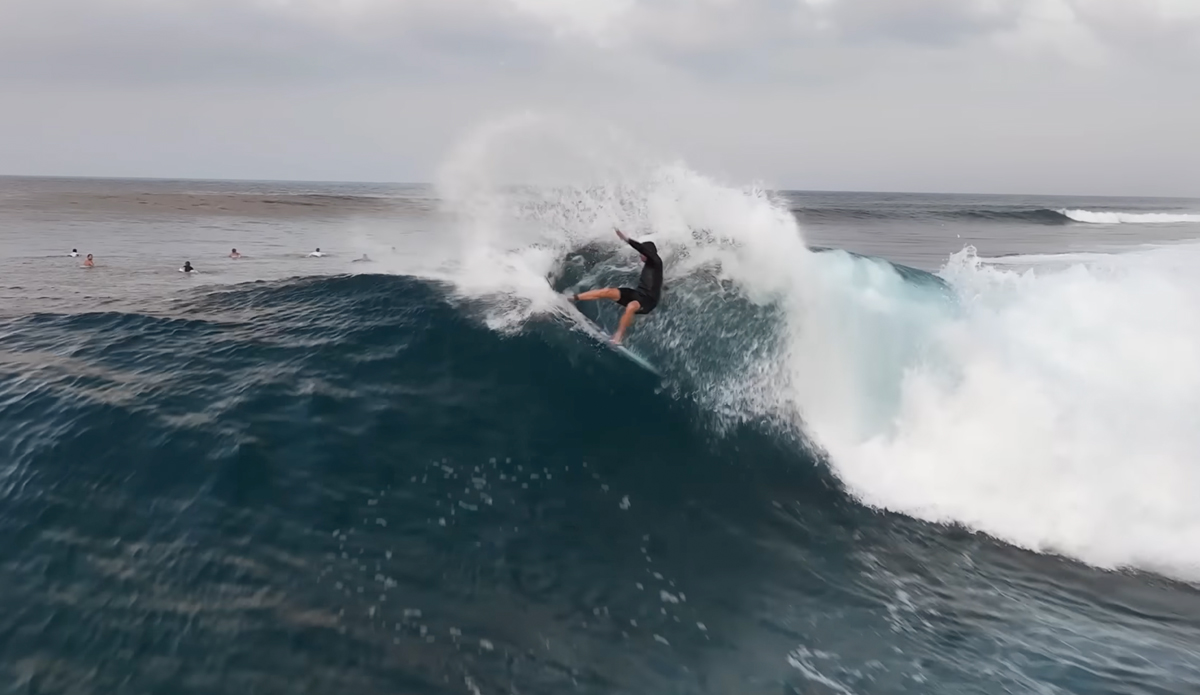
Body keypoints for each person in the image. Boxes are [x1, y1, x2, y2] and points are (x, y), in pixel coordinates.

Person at [570, 228, 663, 345]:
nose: (640, 256)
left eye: (642, 254)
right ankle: (573, 298)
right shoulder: (650, 264)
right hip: (638, 294)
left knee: (631, 306)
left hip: (649, 301)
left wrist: (626, 239)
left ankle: (618, 337)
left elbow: (644, 250)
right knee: (607, 292)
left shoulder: (656, 261)